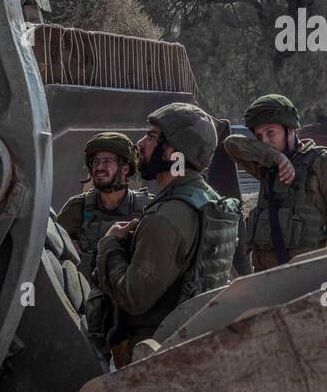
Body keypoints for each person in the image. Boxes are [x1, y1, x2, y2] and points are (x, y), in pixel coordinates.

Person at [95, 104, 239, 362]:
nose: (139, 144)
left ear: (175, 154)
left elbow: (132, 297)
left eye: (151, 137)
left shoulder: (168, 216)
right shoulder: (209, 200)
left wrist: (110, 245)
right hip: (189, 349)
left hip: (152, 358)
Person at [224, 94, 327, 271]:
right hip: (266, 282)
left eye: (270, 132)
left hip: (309, 281)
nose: (265, 141)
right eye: (259, 136)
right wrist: (274, 156)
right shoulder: (267, 165)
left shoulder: (323, 164)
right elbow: (231, 144)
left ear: (290, 130)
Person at [56, 133, 149, 357]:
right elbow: (54, 253)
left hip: (130, 319)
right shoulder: (77, 208)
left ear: (125, 169)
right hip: (87, 316)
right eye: (95, 162)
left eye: (107, 162)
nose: (99, 167)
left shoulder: (147, 209)